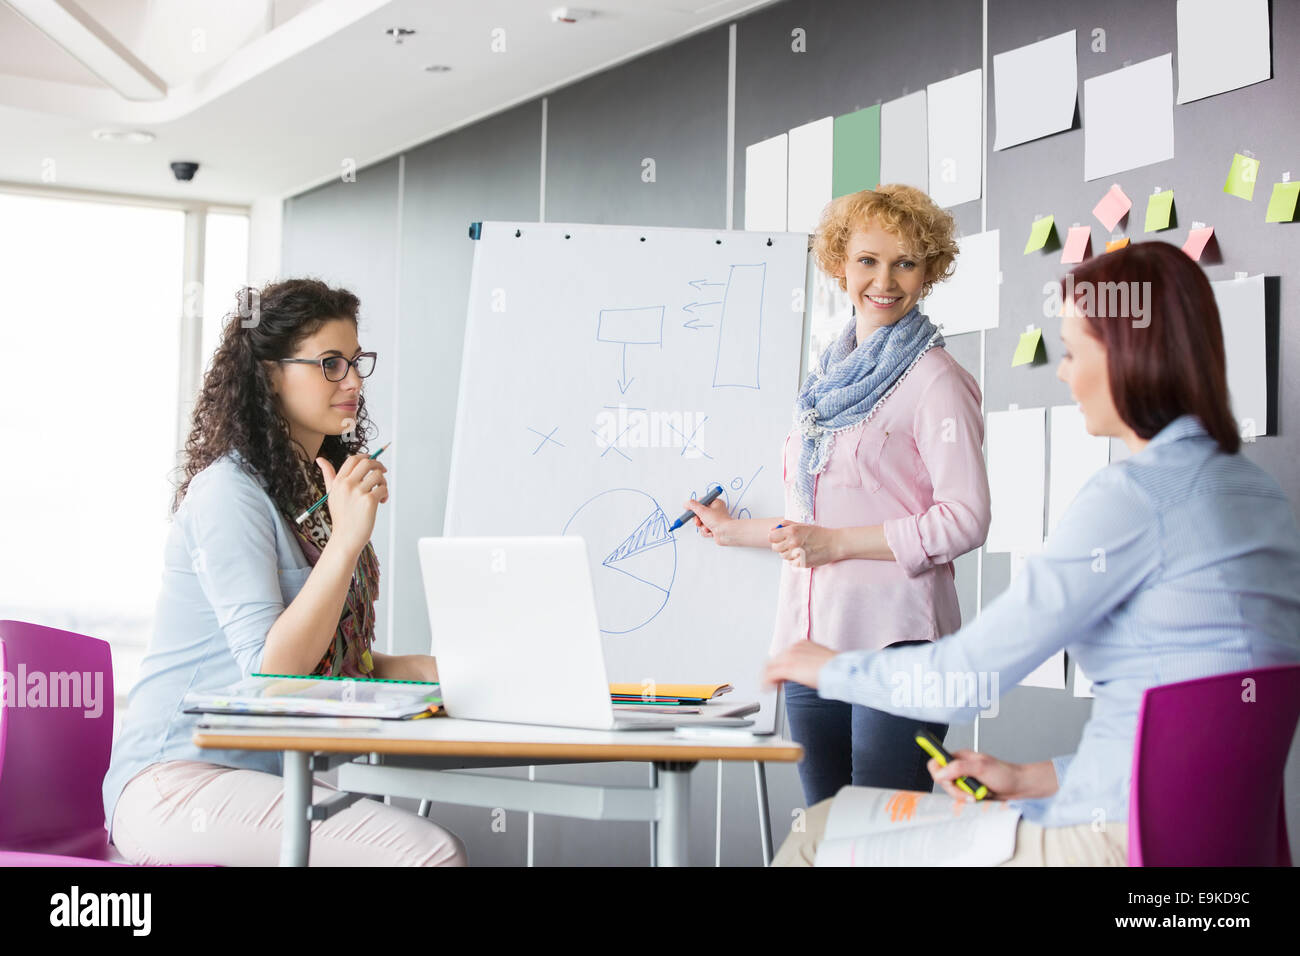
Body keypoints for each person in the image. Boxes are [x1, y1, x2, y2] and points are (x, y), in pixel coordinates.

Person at [766, 241, 1300, 866]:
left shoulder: (1132, 498)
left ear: (1129, 355)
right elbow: (1188, 741)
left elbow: (963, 680)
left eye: (1075, 351)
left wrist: (823, 667)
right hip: (1214, 862)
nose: (1065, 372)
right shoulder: (1259, 495)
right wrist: (1038, 778)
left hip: (1116, 848)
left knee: (820, 831)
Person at [102, 279, 466, 866]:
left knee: (403, 833)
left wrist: (450, 672)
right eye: (329, 364)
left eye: (355, 362)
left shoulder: (311, 487)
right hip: (178, 783)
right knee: (426, 853)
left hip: (275, 777)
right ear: (271, 374)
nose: (353, 381)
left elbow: (341, 665)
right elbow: (274, 676)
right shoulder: (227, 492)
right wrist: (348, 539)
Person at [687, 185, 991, 805]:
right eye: (867, 261)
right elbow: (815, 524)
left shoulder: (935, 380)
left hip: (899, 644)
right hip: (813, 644)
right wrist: (731, 530)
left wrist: (836, 544)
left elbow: (965, 519)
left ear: (929, 271)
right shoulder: (827, 380)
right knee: (827, 834)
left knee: (882, 838)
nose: (885, 280)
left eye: (905, 262)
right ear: (839, 264)